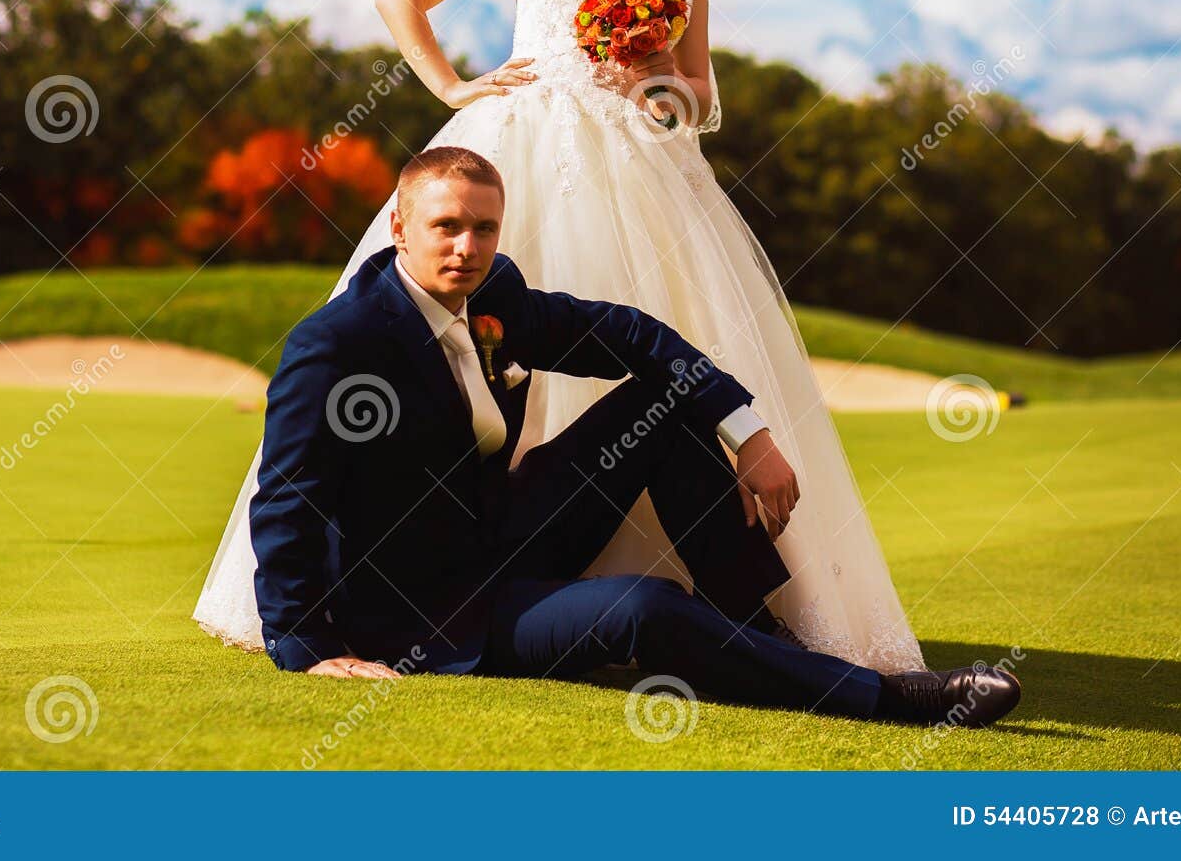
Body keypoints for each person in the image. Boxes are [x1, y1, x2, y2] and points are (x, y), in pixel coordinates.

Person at [197, 0, 926, 674]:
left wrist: (657, 77)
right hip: (519, 144)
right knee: (475, 317)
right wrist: (453, 87)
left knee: (648, 334)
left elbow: (701, 99)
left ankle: (735, 609)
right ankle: (433, 583)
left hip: (641, 166)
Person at [247, 147, 1020, 727]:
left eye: (484, 228)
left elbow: (627, 334)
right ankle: (885, 698)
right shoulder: (337, 343)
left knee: (662, 404)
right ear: (399, 227)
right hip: (425, 615)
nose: (467, 248)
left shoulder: (494, 294)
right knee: (642, 607)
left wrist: (747, 431)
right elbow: (287, 498)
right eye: (445, 227)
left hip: (504, 534)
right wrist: (305, 646)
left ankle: (754, 633)